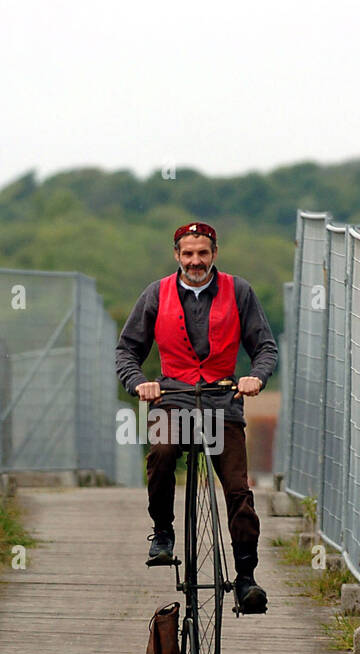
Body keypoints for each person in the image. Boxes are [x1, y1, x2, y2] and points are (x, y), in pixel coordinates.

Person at [114, 221, 278, 613]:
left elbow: (266, 347)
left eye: (202, 253)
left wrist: (256, 377)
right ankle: (163, 533)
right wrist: (140, 383)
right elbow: (126, 352)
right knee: (163, 452)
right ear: (177, 256)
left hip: (223, 401)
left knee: (238, 490)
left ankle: (245, 578)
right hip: (174, 398)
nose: (195, 261)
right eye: (187, 254)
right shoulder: (156, 294)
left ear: (214, 254)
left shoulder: (240, 292)